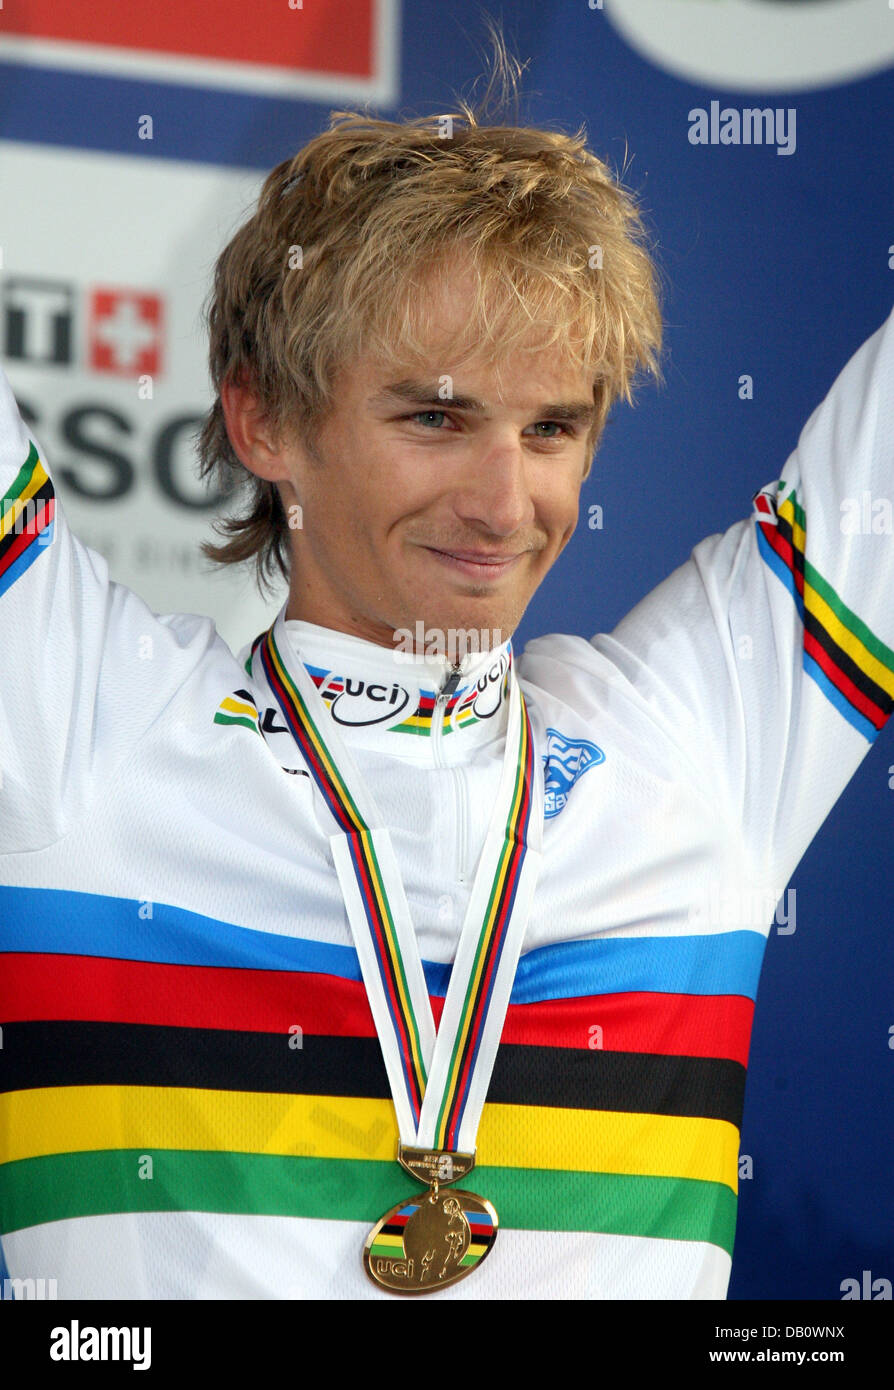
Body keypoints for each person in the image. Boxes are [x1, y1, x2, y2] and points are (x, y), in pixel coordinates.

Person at [1, 71, 892, 1302]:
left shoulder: (697, 749)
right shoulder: (77, 730)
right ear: (262, 420)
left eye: (551, 431)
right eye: (434, 417)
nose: (502, 503)